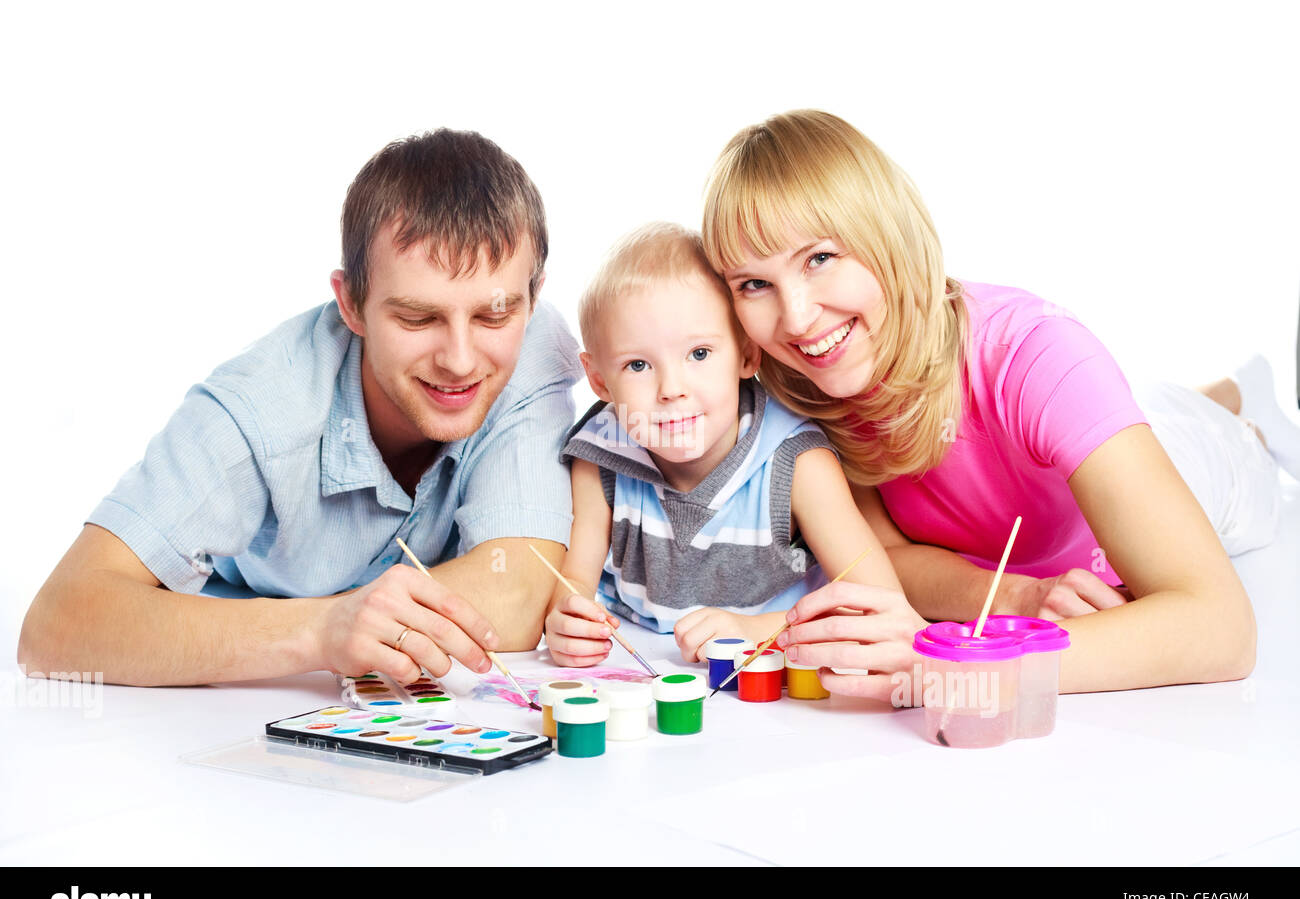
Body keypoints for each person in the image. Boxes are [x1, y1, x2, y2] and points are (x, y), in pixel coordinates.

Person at [700, 109, 1296, 696]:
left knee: (1227, 442)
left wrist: (956, 665)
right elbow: (884, 556)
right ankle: (1219, 393)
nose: (798, 318)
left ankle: (1248, 413)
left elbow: (1223, 629)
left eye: (820, 258)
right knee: (1146, 404)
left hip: (1199, 465)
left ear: (885, 234)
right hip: (1079, 442)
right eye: (755, 283)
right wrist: (1016, 597)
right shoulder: (808, 376)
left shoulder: (1040, 355)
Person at [19, 129, 583, 687]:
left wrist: (371, 623)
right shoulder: (259, 409)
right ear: (351, 305)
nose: (461, 361)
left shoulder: (534, 348)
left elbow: (517, 594)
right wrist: (321, 631)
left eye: (492, 317)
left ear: (531, 299)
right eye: (417, 318)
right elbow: (56, 627)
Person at [541, 223, 901, 667]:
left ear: (748, 355)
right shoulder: (603, 453)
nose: (672, 389)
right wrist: (567, 619)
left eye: (699, 354)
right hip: (642, 666)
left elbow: (878, 604)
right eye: (638, 364)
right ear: (599, 380)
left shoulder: (797, 460)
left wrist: (754, 632)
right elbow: (574, 579)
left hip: (779, 677)